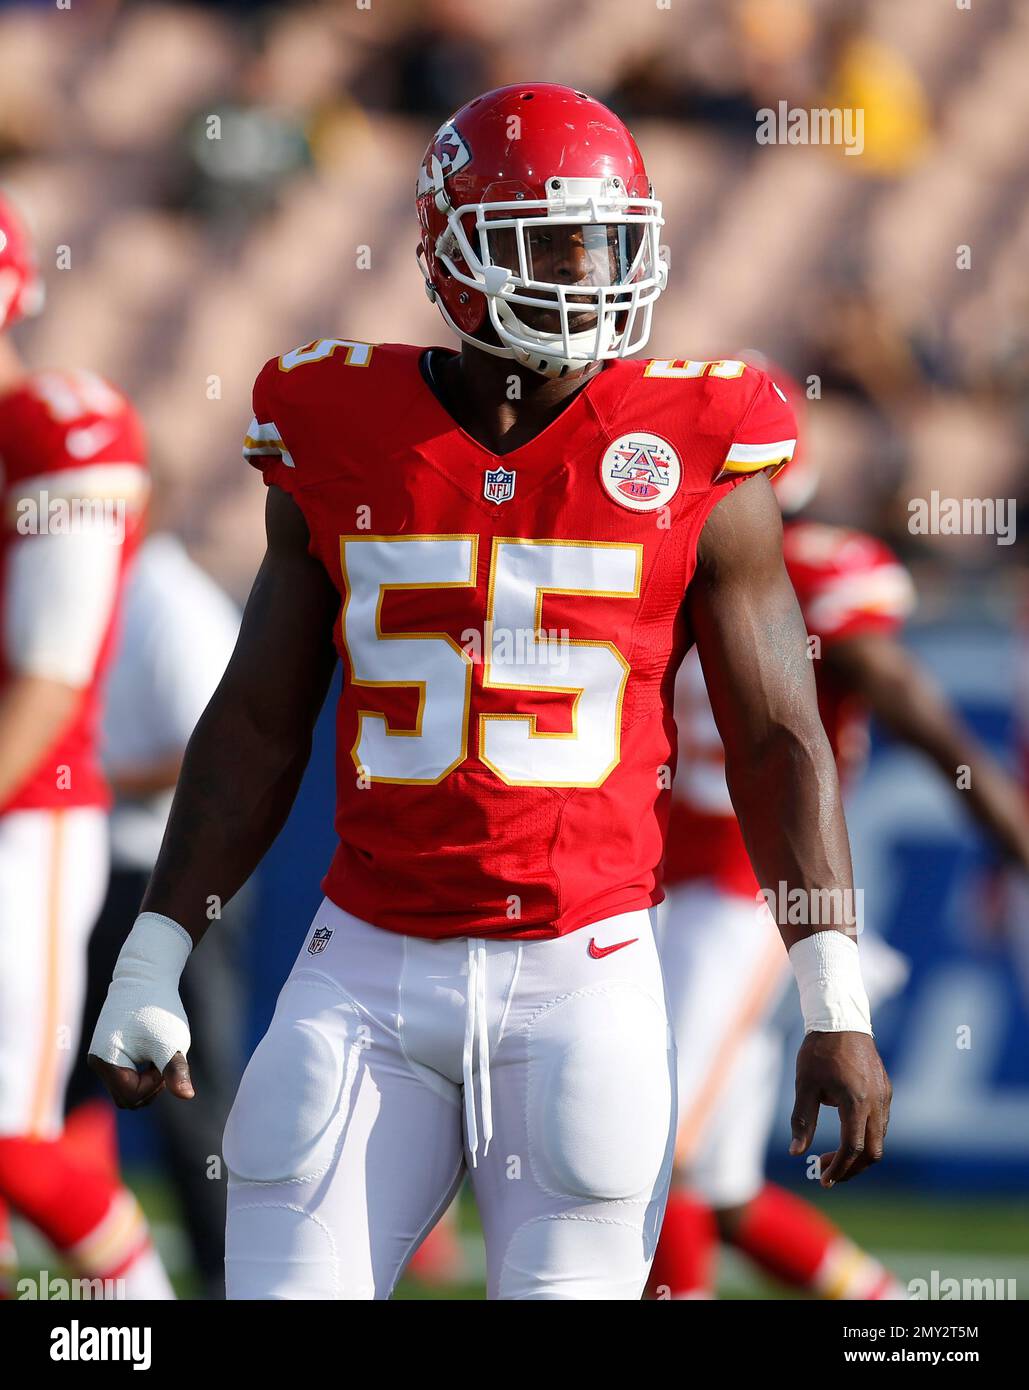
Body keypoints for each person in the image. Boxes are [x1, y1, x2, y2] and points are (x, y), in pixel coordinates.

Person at [89, 83, 891, 1302]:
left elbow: (779, 736)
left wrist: (833, 992)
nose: (594, 269)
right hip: (361, 960)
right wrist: (157, 945)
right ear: (452, 249)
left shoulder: (697, 444)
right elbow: (257, 718)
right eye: (554, 240)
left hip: (585, 969)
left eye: (613, 238)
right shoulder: (338, 421)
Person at [652, 378, 1029, 1299]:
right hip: (665, 889)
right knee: (717, 1187)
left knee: (652, 1148)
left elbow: (939, 737)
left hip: (751, 897)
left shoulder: (818, 578)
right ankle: (900, 1320)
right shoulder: (649, 558)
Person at [0, 193, 172, 1299]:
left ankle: (136, 1322)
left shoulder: (59, 425)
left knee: (10, 1136)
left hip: (27, 818)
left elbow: (49, 677)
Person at [65, 530, 243, 1298]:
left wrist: (85, 777)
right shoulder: (93, 588)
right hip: (90, 868)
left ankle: (225, 1274)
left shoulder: (169, 601)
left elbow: (214, 744)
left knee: (182, 1089)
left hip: (169, 876)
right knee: (40, 1094)